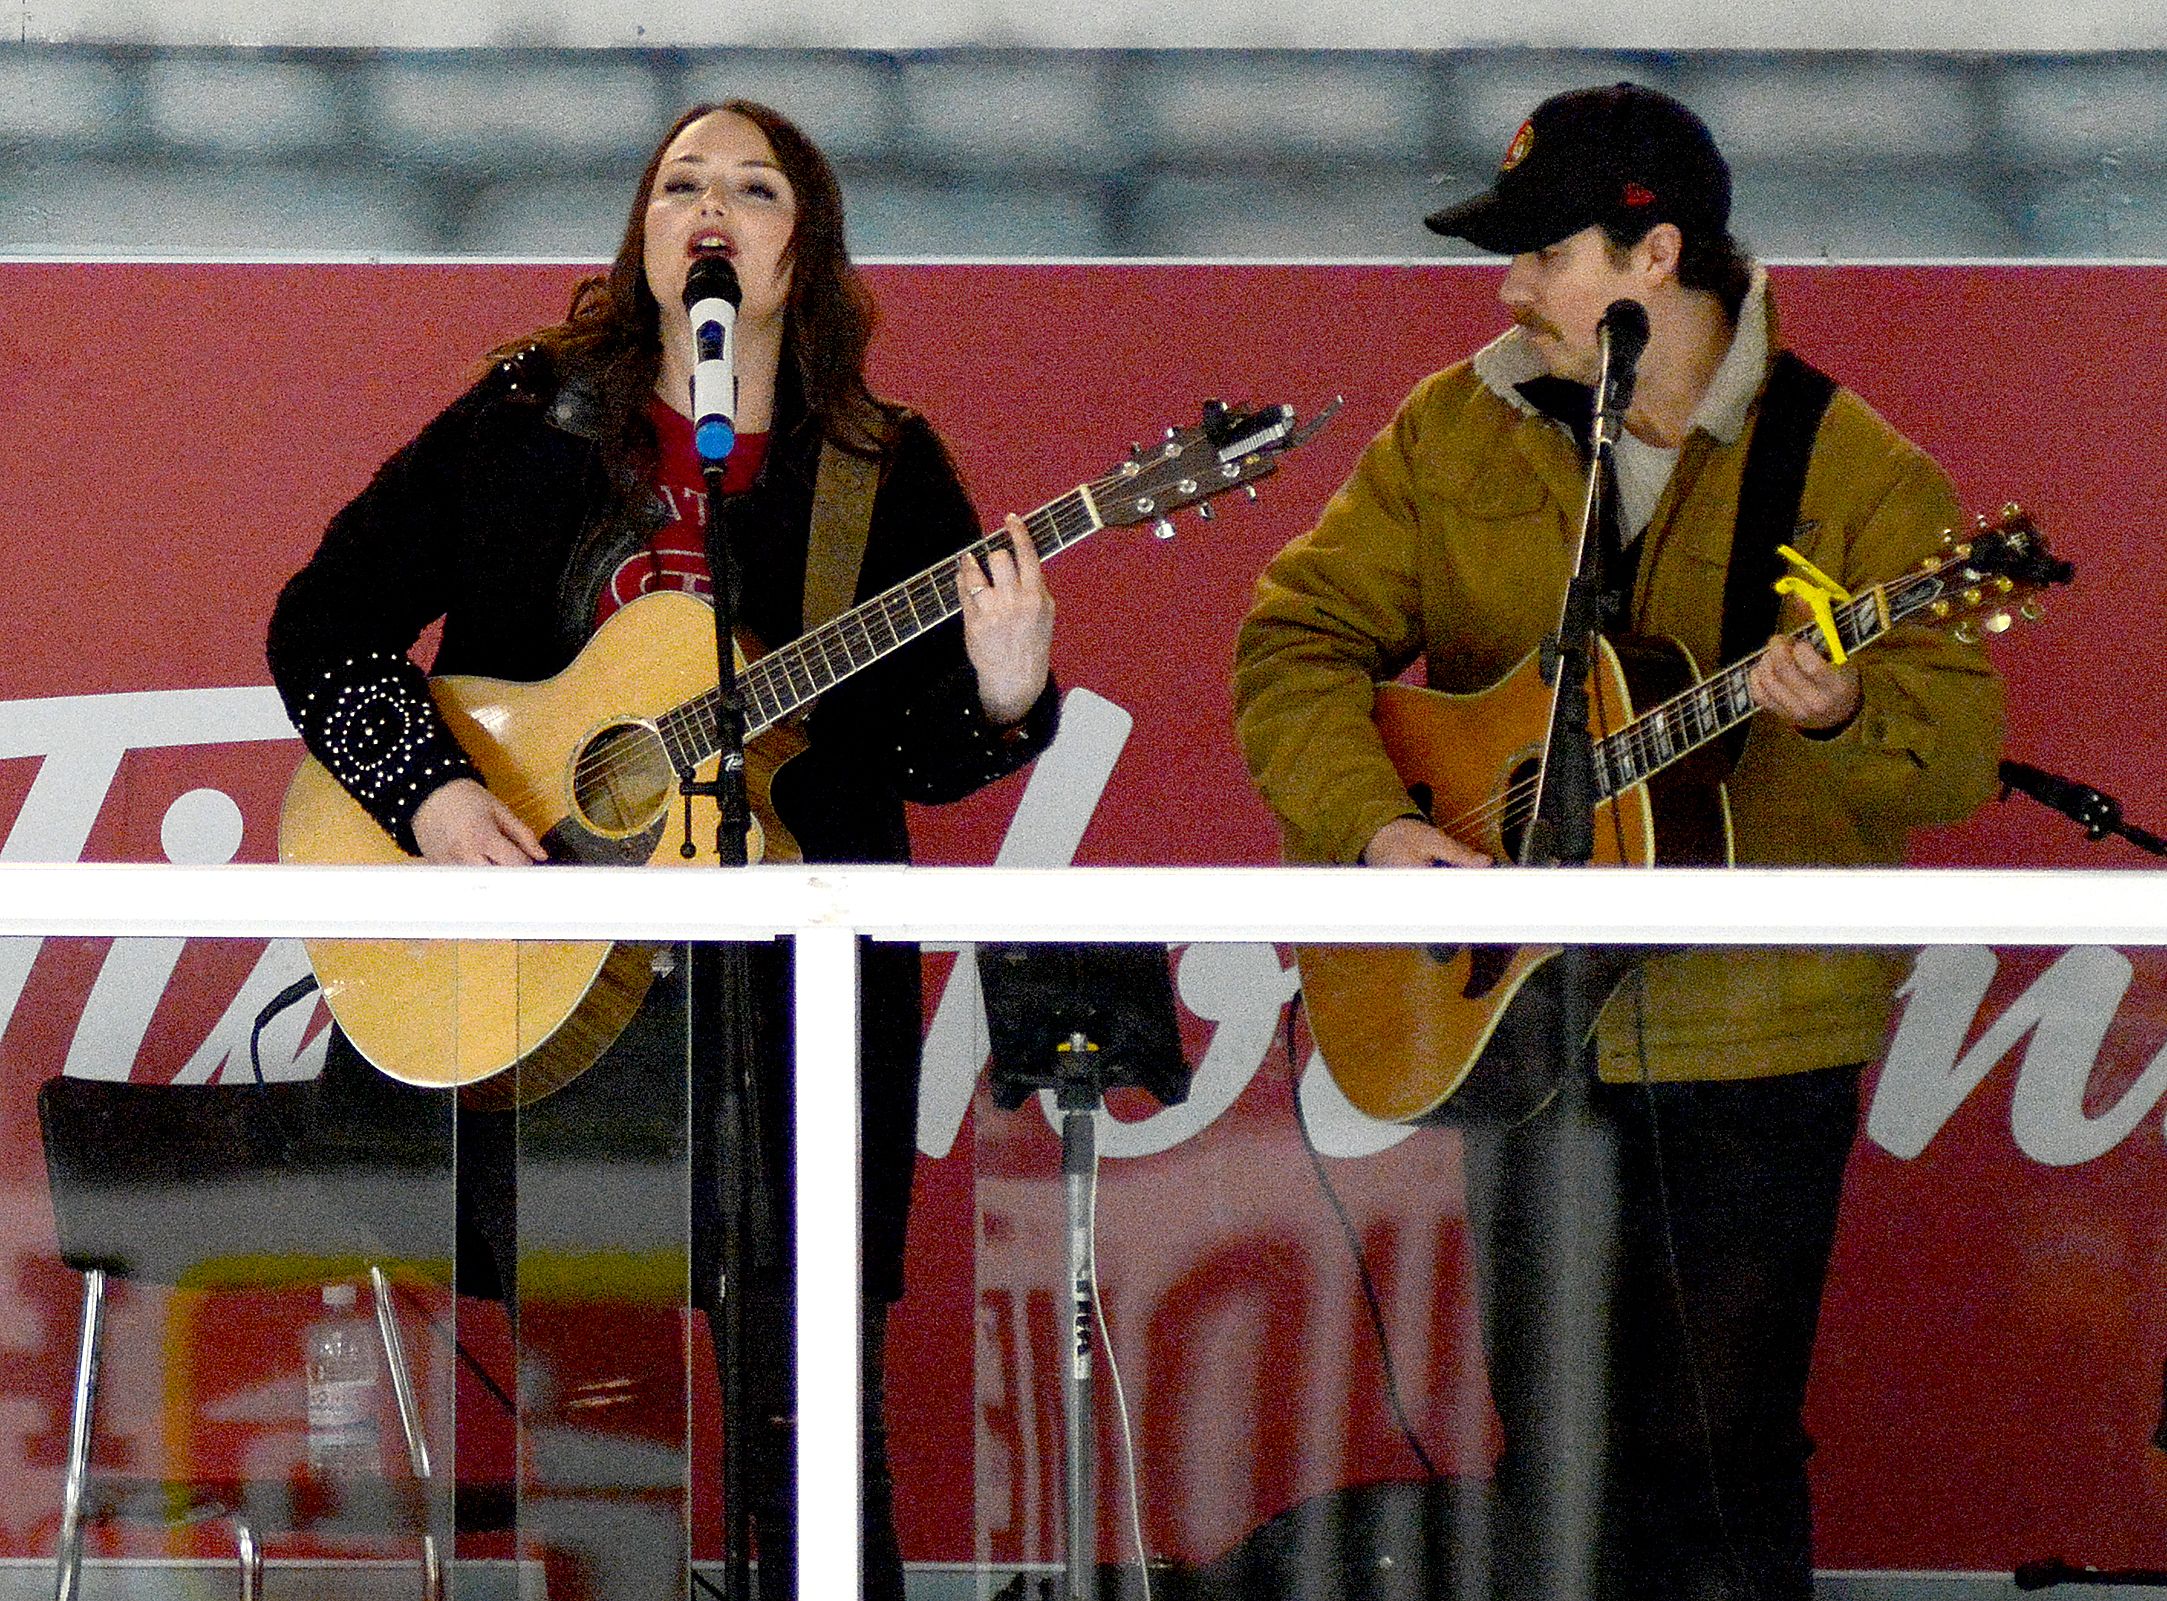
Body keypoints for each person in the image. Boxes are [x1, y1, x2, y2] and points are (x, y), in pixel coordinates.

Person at [267, 100, 1060, 1599]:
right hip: (559, 980)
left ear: (799, 254)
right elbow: (322, 623)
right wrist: (432, 796)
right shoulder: (527, 419)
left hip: (795, 995)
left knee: (813, 1412)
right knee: (600, 1424)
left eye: (753, 189)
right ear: (644, 240)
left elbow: (915, 756)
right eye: (680, 182)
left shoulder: (878, 469)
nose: (711, 205)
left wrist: (1008, 694)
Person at [1232, 84, 2003, 1600]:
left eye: (1543, 255)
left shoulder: (1856, 468)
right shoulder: (1459, 425)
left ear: (1655, 257)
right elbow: (1292, 641)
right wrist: (1379, 826)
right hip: (1525, 1030)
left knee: (1718, 1454)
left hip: (1756, 1037)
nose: (1511, 290)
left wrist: (1843, 712)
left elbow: (1960, 751)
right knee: (1558, 1457)